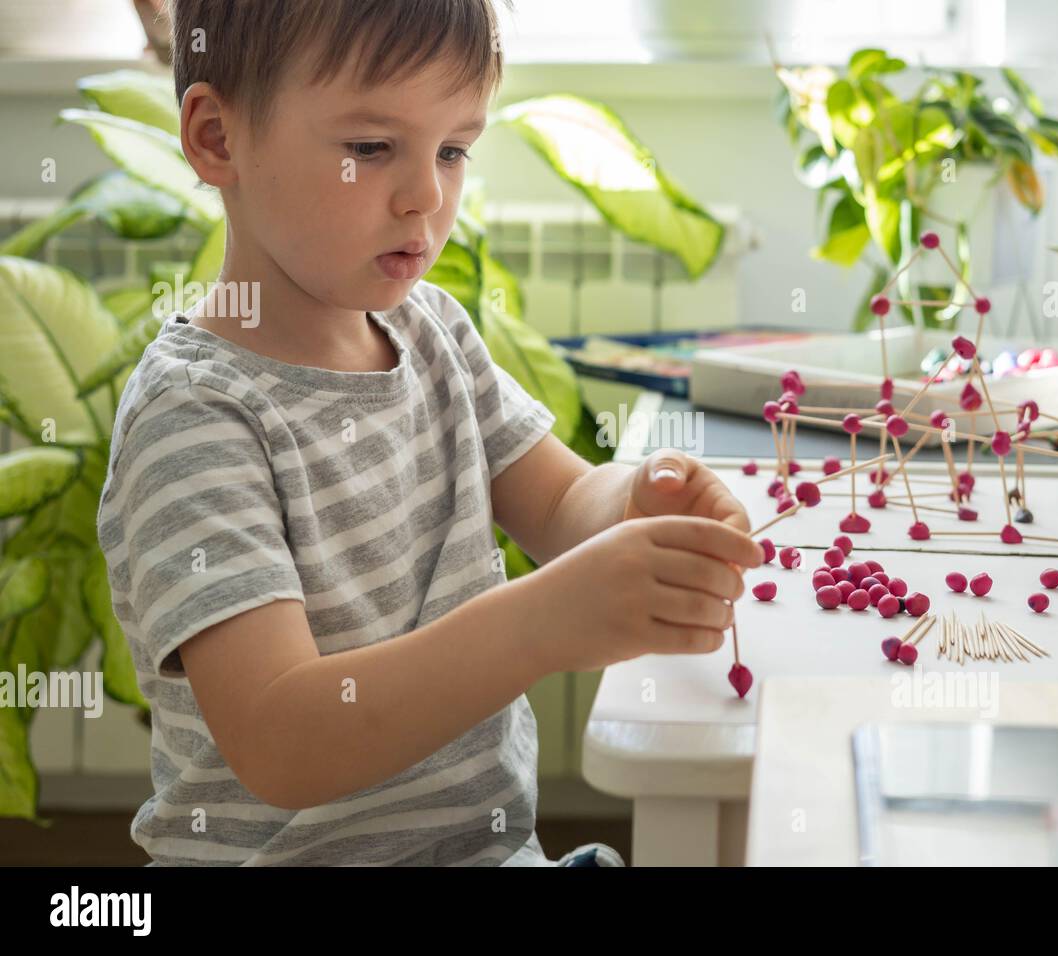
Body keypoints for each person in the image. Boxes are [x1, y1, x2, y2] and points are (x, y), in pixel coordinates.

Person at [96, 0, 760, 866]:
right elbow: (281, 738)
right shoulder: (196, 417)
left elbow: (561, 501)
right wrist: (539, 624)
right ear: (218, 138)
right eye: (370, 150)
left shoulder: (433, 331)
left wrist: (639, 496)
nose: (427, 195)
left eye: (452, 150)